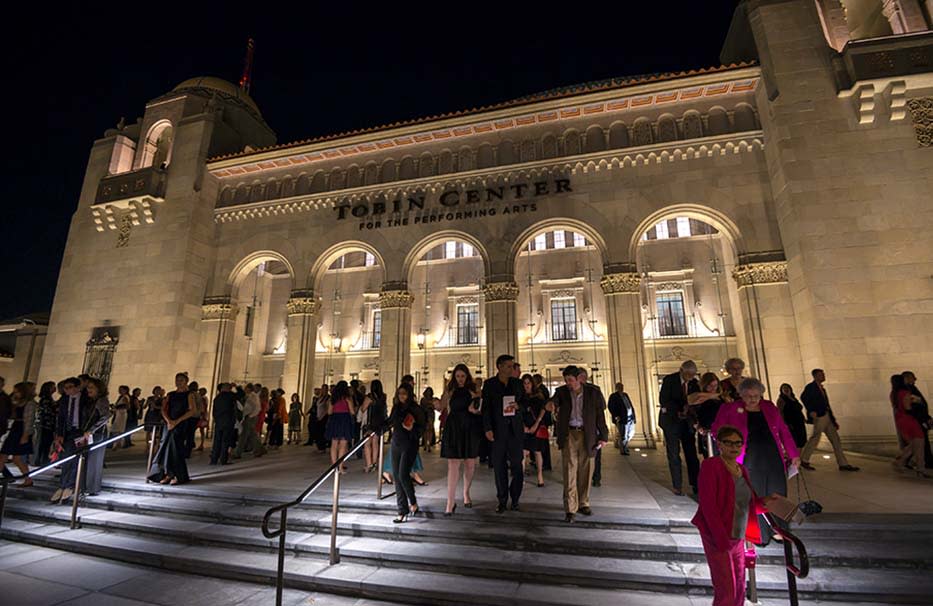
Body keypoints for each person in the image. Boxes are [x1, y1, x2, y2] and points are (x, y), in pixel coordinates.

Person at [692, 425, 776, 606]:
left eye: (738, 443)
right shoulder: (711, 466)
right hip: (718, 535)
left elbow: (748, 503)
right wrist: (720, 539)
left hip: (737, 535)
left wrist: (769, 502)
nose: (734, 447)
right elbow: (708, 506)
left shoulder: (741, 469)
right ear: (719, 444)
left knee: (738, 588)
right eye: (728, 443)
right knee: (726, 590)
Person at [712, 377, 800, 544]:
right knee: (755, 495)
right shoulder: (730, 408)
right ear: (741, 395)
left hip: (772, 456)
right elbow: (717, 430)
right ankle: (759, 533)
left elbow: (783, 431)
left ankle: (779, 529)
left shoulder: (769, 407)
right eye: (748, 396)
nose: (753, 399)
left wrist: (793, 454)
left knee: (777, 492)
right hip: (748, 457)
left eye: (756, 395)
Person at [547, 366, 609, 523]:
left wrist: (604, 435)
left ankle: (584, 502)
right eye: (566, 380)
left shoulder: (592, 393)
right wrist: (550, 404)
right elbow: (553, 401)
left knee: (586, 469)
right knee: (569, 470)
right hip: (569, 434)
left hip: (587, 435)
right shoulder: (561, 392)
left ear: (579, 379)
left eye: (571, 380)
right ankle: (570, 508)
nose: (568, 383)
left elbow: (599, 415)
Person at [52, 377, 109, 503]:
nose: (67, 390)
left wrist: (90, 430)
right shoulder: (67, 400)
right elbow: (60, 418)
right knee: (66, 458)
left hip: (84, 432)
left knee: (78, 459)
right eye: (65, 388)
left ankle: (72, 485)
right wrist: (59, 434)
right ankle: (63, 485)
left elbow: (105, 415)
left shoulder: (86, 399)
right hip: (70, 432)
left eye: (70, 387)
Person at [482, 354, 526, 513]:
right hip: (498, 432)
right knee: (499, 467)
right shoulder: (489, 384)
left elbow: (526, 402)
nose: (511, 369)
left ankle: (515, 499)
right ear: (499, 366)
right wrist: (487, 428)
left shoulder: (517, 384)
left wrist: (519, 406)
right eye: (508, 366)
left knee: (517, 467)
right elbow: (485, 408)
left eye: (512, 366)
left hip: (515, 431)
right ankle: (502, 500)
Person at [440, 364, 482, 515]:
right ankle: (450, 502)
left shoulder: (474, 390)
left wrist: (475, 409)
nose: (460, 379)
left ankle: (466, 493)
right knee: (453, 465)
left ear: (467, 376)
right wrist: (434, 402)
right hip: (454, 427)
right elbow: (441, 406)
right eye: (457, 376)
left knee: (470, 464)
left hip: (469, 427)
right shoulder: (450, 390)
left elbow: (480, 408)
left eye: (463, 376)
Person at [799, 369, 859, 472]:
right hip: (820, 416)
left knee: (836, 439)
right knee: (815, 438)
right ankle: (804, 460)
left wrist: (833, 420)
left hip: (827, 416)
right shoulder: (810, 387)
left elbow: (826, 405)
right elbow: (804, 397)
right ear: (815, 376)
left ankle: (843, 463)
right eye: (821, 374)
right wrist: (811, 410)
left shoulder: (822, 389)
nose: (823, 376)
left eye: (823, 374)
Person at [658, 360, 701, 495]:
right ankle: (677, 485)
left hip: (687, 423)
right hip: (671, 421)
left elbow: (697, 399)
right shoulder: (669, 380)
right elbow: (664, 399)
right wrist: (679, 409)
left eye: (693, 374)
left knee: (691, 454)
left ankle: (696, 484)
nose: (690, 377)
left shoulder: (694, 383)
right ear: (682, 371)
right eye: (688, 374)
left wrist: (690, 411)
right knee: (673, 454)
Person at [385, 382, 426, 523]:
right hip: (396, 443)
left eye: (404, 393)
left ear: (409, 394)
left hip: (409, 444)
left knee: (403, 475)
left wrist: (412, 430)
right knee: (397, 477)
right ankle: (402, 510)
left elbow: (421, 428)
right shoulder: (396, 408)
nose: (402, 396)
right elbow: (390, 422)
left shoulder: (416, 409)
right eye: (400, 393)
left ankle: (413, 502)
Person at [147, 373, 197, 485]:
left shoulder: (189, 395)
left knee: (175, 448)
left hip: (180, 424)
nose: (179, 382)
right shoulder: (170, 394)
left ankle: (177, 474)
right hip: (169, 423)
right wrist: (169, 421)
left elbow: (192, 411)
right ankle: (167, 473)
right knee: (165, 447)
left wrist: (177, 421)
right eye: (177, 380)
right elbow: (163, 409)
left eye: (181, 380)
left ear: (186, 382)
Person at [891, 374, 931, 477]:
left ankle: (900, 461)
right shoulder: (905, 393)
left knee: (914, 444)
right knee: (920, 443)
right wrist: (918, 402)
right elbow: (908, 409)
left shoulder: (893, 394)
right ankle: (921, 469)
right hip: (910, 420)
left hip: (901, 420)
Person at [1, 382, 37, 486]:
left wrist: (25, 435)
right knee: (5, 456)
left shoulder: (30, 403)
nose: (15, 393)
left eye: (17, 391)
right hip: (15, 428)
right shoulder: (19, 402)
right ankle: (26, 478)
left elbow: (29, 420)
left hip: (21, 430)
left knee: (16, 458)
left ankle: (27, 478)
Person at [519, 373, 547, 488]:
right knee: (523, 452)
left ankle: (540, 475)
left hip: (536, 426)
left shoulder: (538, 396)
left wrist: (536, 424)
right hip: (524, 427)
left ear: (532, 384)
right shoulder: (520, 397)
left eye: (528, 383)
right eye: (524, 383)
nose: (527, 386)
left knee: (537, 451)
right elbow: (518, 413)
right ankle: (520, 477)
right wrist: (522, 426)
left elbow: (543, 410)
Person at [902, 371, 932, 469]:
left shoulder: (911, 388)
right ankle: (923, 462)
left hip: (920, 418)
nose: (915, 379)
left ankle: (923, 461)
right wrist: (923, 419)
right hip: (917, 420)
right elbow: (914, 407)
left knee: (919, 442)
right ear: (906, 378)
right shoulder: (907, 390)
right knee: (919, 442)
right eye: (913, 377)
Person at [689, 373, 724, 458]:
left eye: (715, 385)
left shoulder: (722, 398)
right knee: (710, 458)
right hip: (707, 431)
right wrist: (697, 426)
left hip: (722, 431)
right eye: (710, 386)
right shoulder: (699, 397)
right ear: (705, 385)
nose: (713, 388)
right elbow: (691, 414)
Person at [325, 381, 356, 473]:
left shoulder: (332, 398)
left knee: (334, 444)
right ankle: (340, 467)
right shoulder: (348, 398)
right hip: (345, 420)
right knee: (343, 444)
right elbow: (352, 412)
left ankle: (334, 466)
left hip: (334, 420)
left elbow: (329, 412)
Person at [360, 380, 388, 472]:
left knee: (367, 444)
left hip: (370, 423)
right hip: (379, 423)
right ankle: (375, 463)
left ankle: (369, 465)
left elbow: (363, 409)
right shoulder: (383, 396)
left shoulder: (370, 397)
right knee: (375, 443)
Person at [210, 383, 237, 465]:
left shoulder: (217, 398)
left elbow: (214, 411)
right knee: (225, 441)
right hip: (228, 422)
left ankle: (214, 459)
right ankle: (223, 459)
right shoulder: (230, 396)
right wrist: (236, 387)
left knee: (217, 441)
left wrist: (216, 419)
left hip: (219, 421)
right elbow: (241, 395)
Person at [33, 381, 59, 467]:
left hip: (47, 424)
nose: (55, 389)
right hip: (45, 424)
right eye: (53, 387)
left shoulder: (48, 398)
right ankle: (41, 460)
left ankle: (42, 459)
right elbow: (48, 411)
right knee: (43, 443)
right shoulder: (46, 399)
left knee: (45, 443)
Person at [608, 382, 636, 455]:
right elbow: (610, 406)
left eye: (622, 387)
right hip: (621, 418)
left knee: (631, 433)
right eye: (620, 387)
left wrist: (634, 416)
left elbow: (630, 405)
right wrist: (616, 416)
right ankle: (623, 449)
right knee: (623, 434)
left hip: (630, 417)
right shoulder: (614, 396)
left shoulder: (625, 395)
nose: (622, 388)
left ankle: (625, 446)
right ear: (617, 388)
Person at [777, 383, 807, 449]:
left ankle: (799, 456)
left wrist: (803, 417)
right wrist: (784, 423)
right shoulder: (781, 400)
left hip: (799, 422)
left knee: (801, 441)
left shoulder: (794, 398)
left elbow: (798, 409)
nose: (786, 390)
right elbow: (780, 412)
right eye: (784, 388)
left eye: (787, 388)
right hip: (791, 423)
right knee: (795, 441)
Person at [110, 385, 130, 450]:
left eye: (121, 390)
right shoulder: (121, 397)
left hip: (121, 414)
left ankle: (117, 443)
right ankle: (118, 443)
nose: (120, 391)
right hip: (119, 413)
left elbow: (127, 406)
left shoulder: (125, 397)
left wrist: (117, 407)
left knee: (118, 429)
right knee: (117, 429)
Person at [314, 384, 331, 452]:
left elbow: (328, 408)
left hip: (324, 417)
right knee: (318, 432)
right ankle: (319, 445)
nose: (323, 390)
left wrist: (322, 416)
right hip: (318, 416)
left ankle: (322, 447)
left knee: (322, 432)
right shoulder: (320, 397)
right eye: (322, 388)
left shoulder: (328, 398)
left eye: (325, 389)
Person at [420, 387, 437, 452]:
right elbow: (421, 407)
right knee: (425, 429)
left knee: (430, 429)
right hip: (425, 414)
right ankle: (425, 444)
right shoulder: (423, 399)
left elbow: (435, 406)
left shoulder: (433, 399)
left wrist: (431, 406)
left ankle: (429, 444)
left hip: (431, 415)